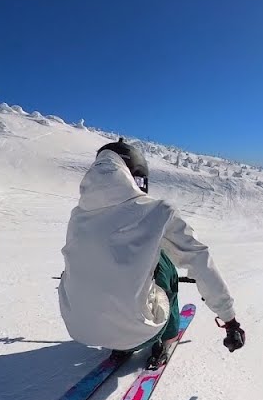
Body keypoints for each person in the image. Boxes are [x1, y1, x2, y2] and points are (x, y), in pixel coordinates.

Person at [58, 138, 246, 367]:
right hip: (140, 331)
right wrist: (230, 321)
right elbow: (200, 261)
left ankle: (118, 344)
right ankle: (166, 339)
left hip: (79, 329)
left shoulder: (78, 215)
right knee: (167, 267)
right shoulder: (157, 211)